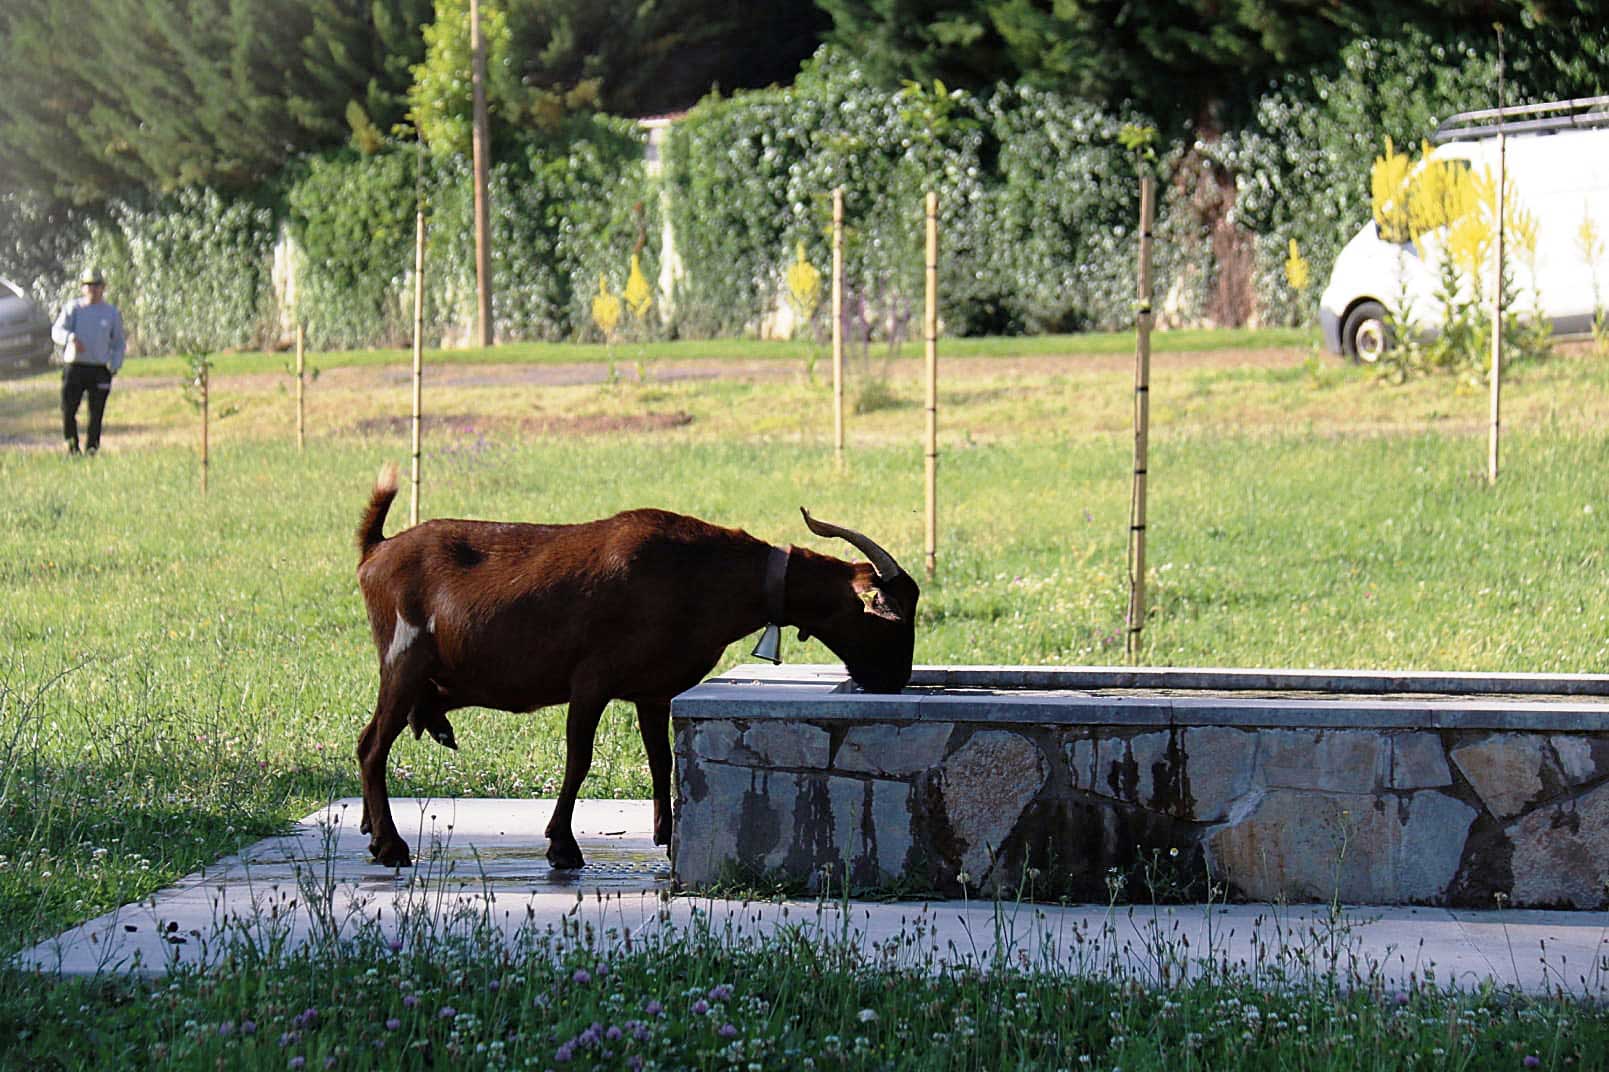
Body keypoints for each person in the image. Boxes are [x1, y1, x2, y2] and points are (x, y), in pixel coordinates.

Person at [52, 268, 126, 456]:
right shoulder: (73, 308)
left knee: (96, 413)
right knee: (68, 410)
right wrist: (70, 337)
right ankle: (72, 448)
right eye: (89, 285)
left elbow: (118, 343)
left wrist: (114, 365)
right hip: (75, 366)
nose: (93, 289)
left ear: (103, 288)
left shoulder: (111, 313)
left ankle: (92, 449)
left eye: (97, 285)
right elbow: (56, 331)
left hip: (99, 368)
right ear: (82, 288)